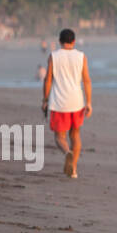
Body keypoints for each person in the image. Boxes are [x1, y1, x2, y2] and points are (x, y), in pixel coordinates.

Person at [42, 28, 92, 179]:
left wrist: (45, 99)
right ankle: (74, 169)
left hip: (59, 102)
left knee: (59, 137)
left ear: (59, 41)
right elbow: (87, 80)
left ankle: (67, 152)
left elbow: (48, 80)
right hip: (77, 101)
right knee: (75, 135)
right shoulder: (81, 56)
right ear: (74, 41)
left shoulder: (53, 56)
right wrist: (88, 102)